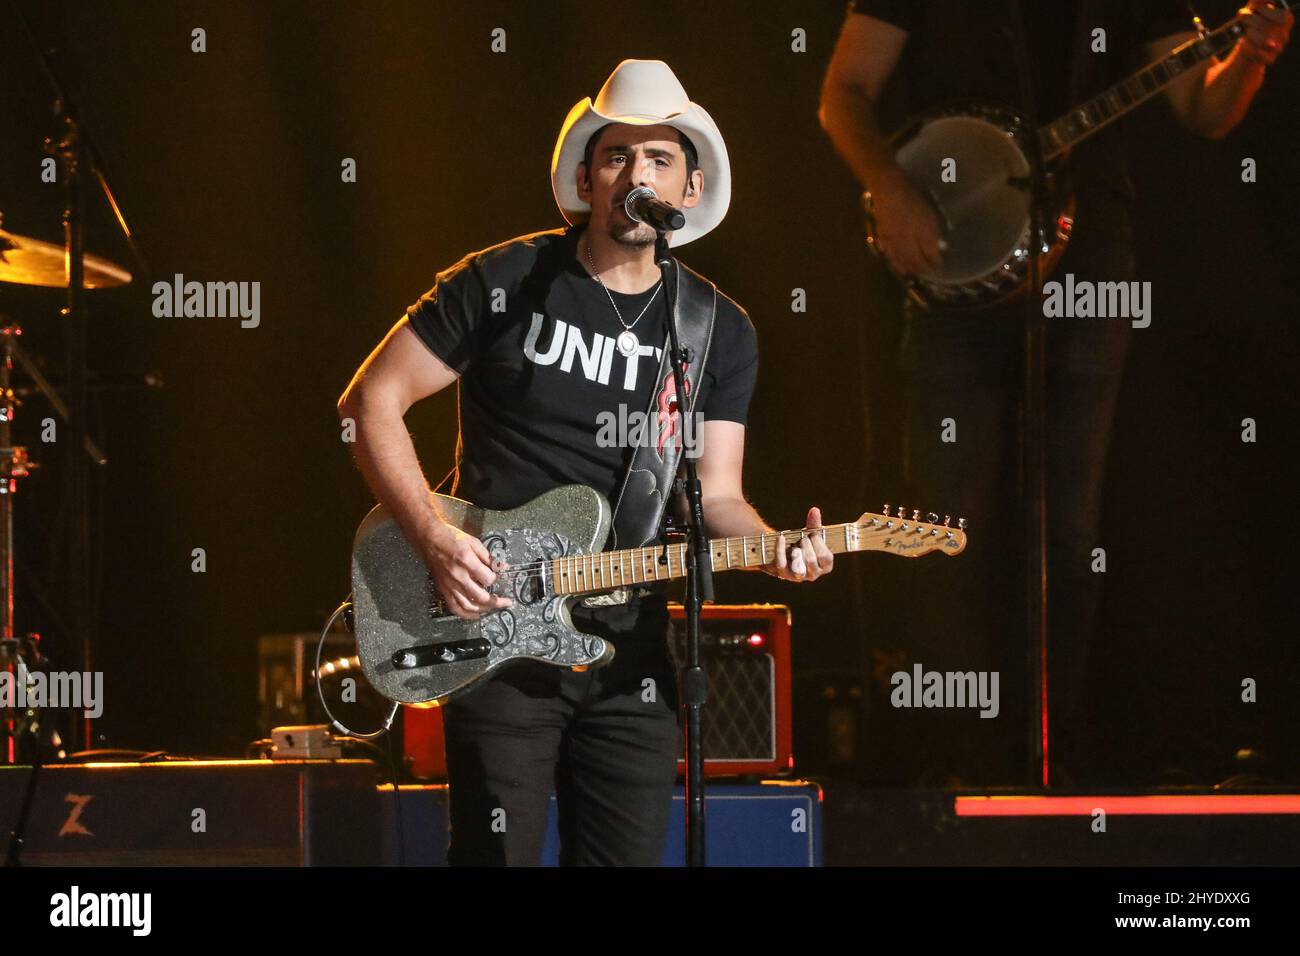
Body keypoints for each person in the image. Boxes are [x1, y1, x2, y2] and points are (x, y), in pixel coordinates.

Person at [338, 59, 835, 865]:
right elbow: (369, 405)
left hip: (630, 656)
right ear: (586, 177)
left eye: (659, 159)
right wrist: (434, 538)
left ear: (690, 188)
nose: (636, 173)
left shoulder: (717, 331)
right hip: (495, 631)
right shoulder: (506, 281)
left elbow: (720, 499)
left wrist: (779, 548)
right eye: (616, 157)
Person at [819, 0, 1291, 786]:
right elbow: (844, 91)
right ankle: (954, 759)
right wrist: (888, 187)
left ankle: (1047, 755)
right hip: (951, 271)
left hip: (1091, 261)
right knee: (945, 526)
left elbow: (1202, 108)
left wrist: (1253, 58)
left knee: (1067, 533)